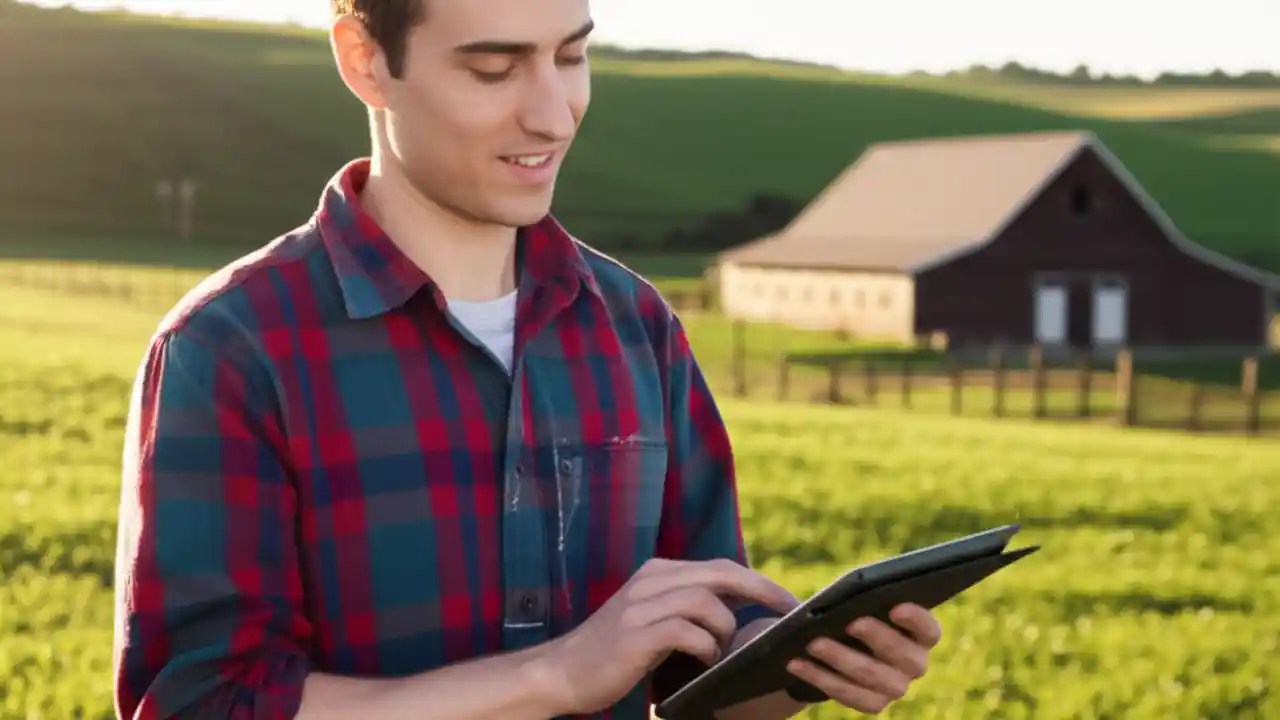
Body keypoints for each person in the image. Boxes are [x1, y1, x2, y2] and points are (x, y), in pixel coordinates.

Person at [111, 0, 944, 718]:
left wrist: (798, 661)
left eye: (572, 56)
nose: (554, 114)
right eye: (494, 69)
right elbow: (202, 702)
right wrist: (554, 676)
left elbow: (702, 660)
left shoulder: (638, 325)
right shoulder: (230, 347)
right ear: (365, 62)